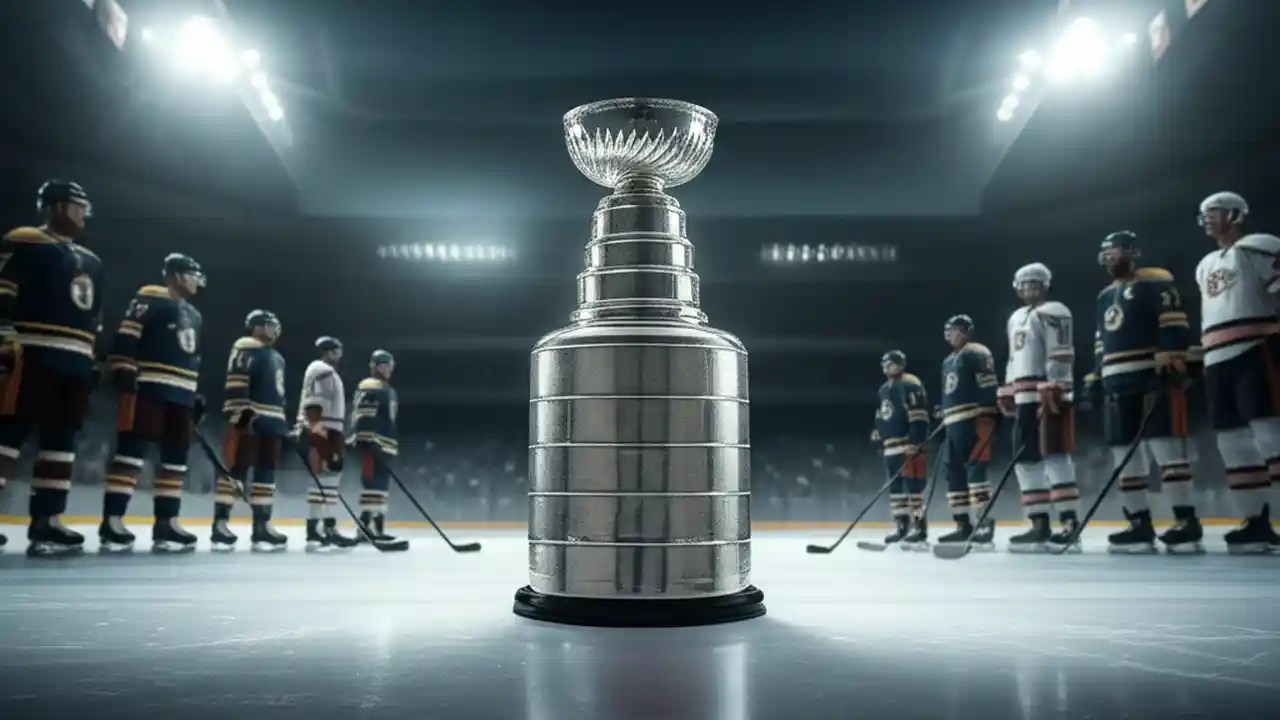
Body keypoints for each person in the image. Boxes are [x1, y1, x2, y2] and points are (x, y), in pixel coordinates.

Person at [0, 180, 103, 556]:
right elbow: (2, 294)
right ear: (58, 206)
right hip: (32, 351)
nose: (84, 212)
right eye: (79, 204)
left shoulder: (93, 261)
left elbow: (94, 321)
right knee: (9, 433)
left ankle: (48, 520)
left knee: (62, 442)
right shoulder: (25, 240)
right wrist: (3, 339)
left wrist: (93, 358)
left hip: (74, 359)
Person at [1083, 232, 1200, 554]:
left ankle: (1186, 521)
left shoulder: (1156, 282)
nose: (1109, 257)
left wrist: (1173, 352)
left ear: (1133, 251)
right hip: (1117, 381)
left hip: (1151, 375)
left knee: (1167, 451)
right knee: (1125, 456)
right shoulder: (1104, 296)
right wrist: (1096, 375)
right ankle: (1138, 523)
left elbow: (1173, 320)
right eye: (1105, 251)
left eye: (1115, 250)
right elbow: (1100, 342)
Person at [99, 253, 207, 553]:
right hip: (149, 385)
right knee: (131, 453)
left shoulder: (196, 315)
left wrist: (194, 393)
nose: (197, 280)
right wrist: (123, 367)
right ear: (175, 275)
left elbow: (192, 357)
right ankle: (113, 519)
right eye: (192, 273)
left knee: (176, 460)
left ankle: (166, 522)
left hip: (181, 393)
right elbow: (127, 335)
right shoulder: (149, 298)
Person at [1194, 191, 1280, 553]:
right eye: (1204, 214)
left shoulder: (1260, 246)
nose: (1208, 219)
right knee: (1231, 440)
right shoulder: (1204, 264)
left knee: (1269, 433)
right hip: (1216, 357)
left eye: (1214, 212)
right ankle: (1256, 521)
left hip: (1254, 347)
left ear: (1235, 213)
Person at [997, 263, 1081, 553]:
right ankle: (1038, 522)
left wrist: (1056, 382)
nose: (1028, 288)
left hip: (1049, 393)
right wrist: (1008, 386)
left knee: (1056, 455)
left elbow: (1061, 349)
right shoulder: (1015, 317)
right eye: (1024, 283)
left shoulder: (1056, 311)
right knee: (1024, 459)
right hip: (1023, 396)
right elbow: (1012, 356)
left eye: (1034, 283)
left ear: (1045, 285)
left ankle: (1069, 522)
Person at [216, 310, 290, 552]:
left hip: (272, 419)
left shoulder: (277, 357)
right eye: (269, 325)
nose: (273, 329)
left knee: (266, 474)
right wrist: (240, 412)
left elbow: (278, 394)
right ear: (256, 326)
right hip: (250, 417)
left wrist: (282, 423)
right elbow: (237, 381)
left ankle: (262, 525)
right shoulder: (245, 346)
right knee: (235, 469)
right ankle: (220, 523)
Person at [936, 315, 999, 549]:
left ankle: (983, 522)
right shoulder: (948, 360)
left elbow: (988, 383)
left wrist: (988, 413)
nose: (951, 335)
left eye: (955, 330)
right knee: (954, 473)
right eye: (949, 330)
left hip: (975, 417)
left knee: (975, 471)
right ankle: (962, 525)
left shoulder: (977, 352)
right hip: (954, 420)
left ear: (966, 331)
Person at [297, 336, 357, 550]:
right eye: (337, 350)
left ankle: (320, 529)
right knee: (325, 482)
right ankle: (321, 530)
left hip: (328, 430)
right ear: (330, 351)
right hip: (326, 431)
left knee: (326, 484)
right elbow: (315, 405)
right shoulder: (323, 371)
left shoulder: (322, 370)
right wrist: (321, 437)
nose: (340, 354)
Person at [870, 350, 930, 550]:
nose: (887, 367)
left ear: (901, 364)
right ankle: (902, 527)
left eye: (891, 363)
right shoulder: (883, 390)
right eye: (884, 364)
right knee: (896, 491)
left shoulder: (910, 383)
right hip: (891, 447)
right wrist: (879, 431)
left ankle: (919, 527)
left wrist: (916, 441)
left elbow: (918, 415)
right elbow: (883, 414)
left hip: (908, 445)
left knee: (914, 490)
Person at [350, 349, 404, 547]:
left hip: (386, 444)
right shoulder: (369, 386)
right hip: (374, 444)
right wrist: (366, 440)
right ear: (376, 366)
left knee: (380, 488)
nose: (389, 369)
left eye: (390, 366)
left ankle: (378, 528)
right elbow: (364, 415)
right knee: (371, 485)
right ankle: (364, 527)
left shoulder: (386, 388)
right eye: (385, 365)